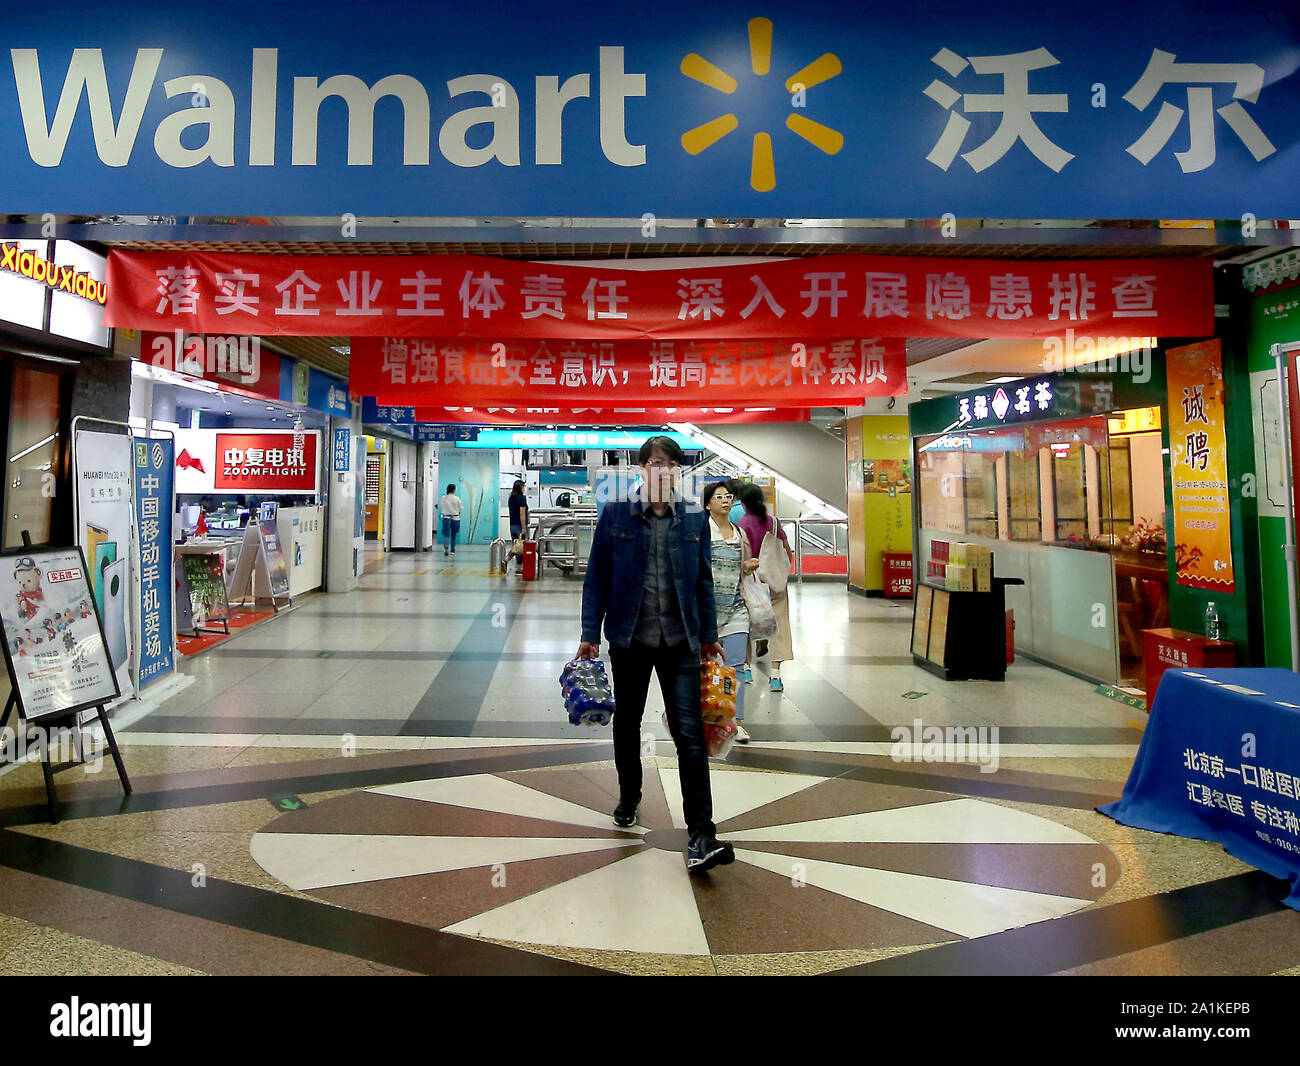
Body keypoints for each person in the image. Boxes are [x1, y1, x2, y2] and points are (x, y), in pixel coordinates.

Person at [577, 435, 735, 873]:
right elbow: (597, 579)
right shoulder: (615, 516)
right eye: (654, 463)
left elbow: (703, 581)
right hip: (630, 640)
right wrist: (590, 632)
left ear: (676, 472)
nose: (661, 471)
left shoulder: (692, 520)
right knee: (627, 722)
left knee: (689, 733)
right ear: (641, 469)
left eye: (669, 465)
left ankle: (702, 832)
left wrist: (709, 634)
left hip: (681, 642)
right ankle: (629, 795)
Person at [703, 481, 760, 743]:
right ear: (707, 504)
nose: (725, 501)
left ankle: (736, 723)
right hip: (707, 610)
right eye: (718, 497)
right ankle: (707, 717)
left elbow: (741, 568)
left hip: (736, 608)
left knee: (736, 666)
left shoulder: (739, 532)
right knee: (706, 667)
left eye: (728, 496)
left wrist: (747, 565)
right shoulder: (703, 532)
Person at [737, 483, 796, 692]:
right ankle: (776, 676)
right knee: (779, 625)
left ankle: (746, 668)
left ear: (743, 503)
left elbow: (739, 556)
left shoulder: (741, 524)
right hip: (774, 583)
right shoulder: (773, 523)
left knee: (745, 624)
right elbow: (787, 551)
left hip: (750, 583)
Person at [505, 480, 528, 576]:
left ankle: (508, 560)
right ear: (520, 488)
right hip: (519, 525)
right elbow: (522, 513)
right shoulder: (522, 498)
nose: (524, 489)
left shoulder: (511, 498)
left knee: (516, 546)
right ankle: (516, 565)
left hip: (512, 525)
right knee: (520, 547)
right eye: (523, 487)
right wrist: (524, 528)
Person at [439, 483, 464, 556]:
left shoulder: (443, 498)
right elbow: (461, 508)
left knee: (446, 534)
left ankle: (446, 547)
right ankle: (452, 550)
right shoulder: (457, 498)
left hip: (446, 518)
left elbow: (441, 506)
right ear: (454, 490)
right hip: (455, 518)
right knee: (454, 535)